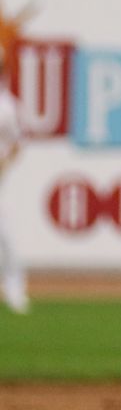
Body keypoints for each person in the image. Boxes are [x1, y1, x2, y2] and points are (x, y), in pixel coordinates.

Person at [0, 42, 28, 314]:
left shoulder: (6, 106)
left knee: (4, 232)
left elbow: (18, 144)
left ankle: (15, 287)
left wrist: (4, 165)